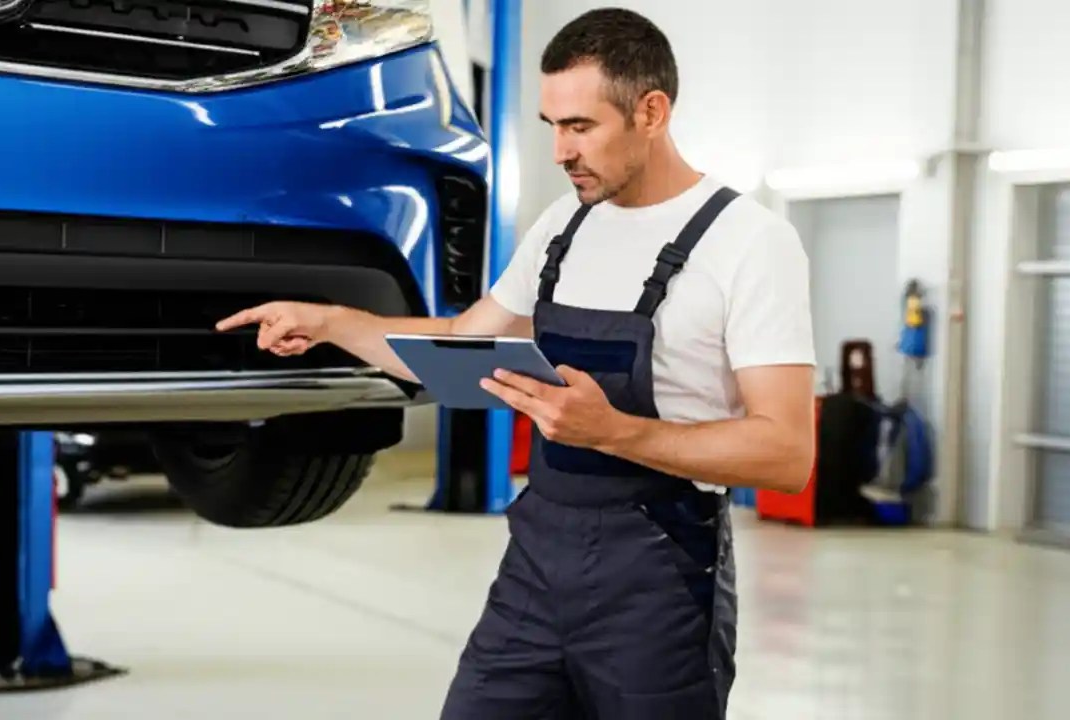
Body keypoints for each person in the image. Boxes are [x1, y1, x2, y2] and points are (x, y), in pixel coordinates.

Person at [216, 8, 816, 719]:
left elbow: (786, 453)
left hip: (660, 581)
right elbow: (461, 343)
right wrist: (332, 323)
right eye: (551, 125)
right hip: (535, 568)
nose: (561, 151)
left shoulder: (749, 243)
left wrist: (614, 432)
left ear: (652, 112)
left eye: (580, 126)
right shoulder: (565, 225)